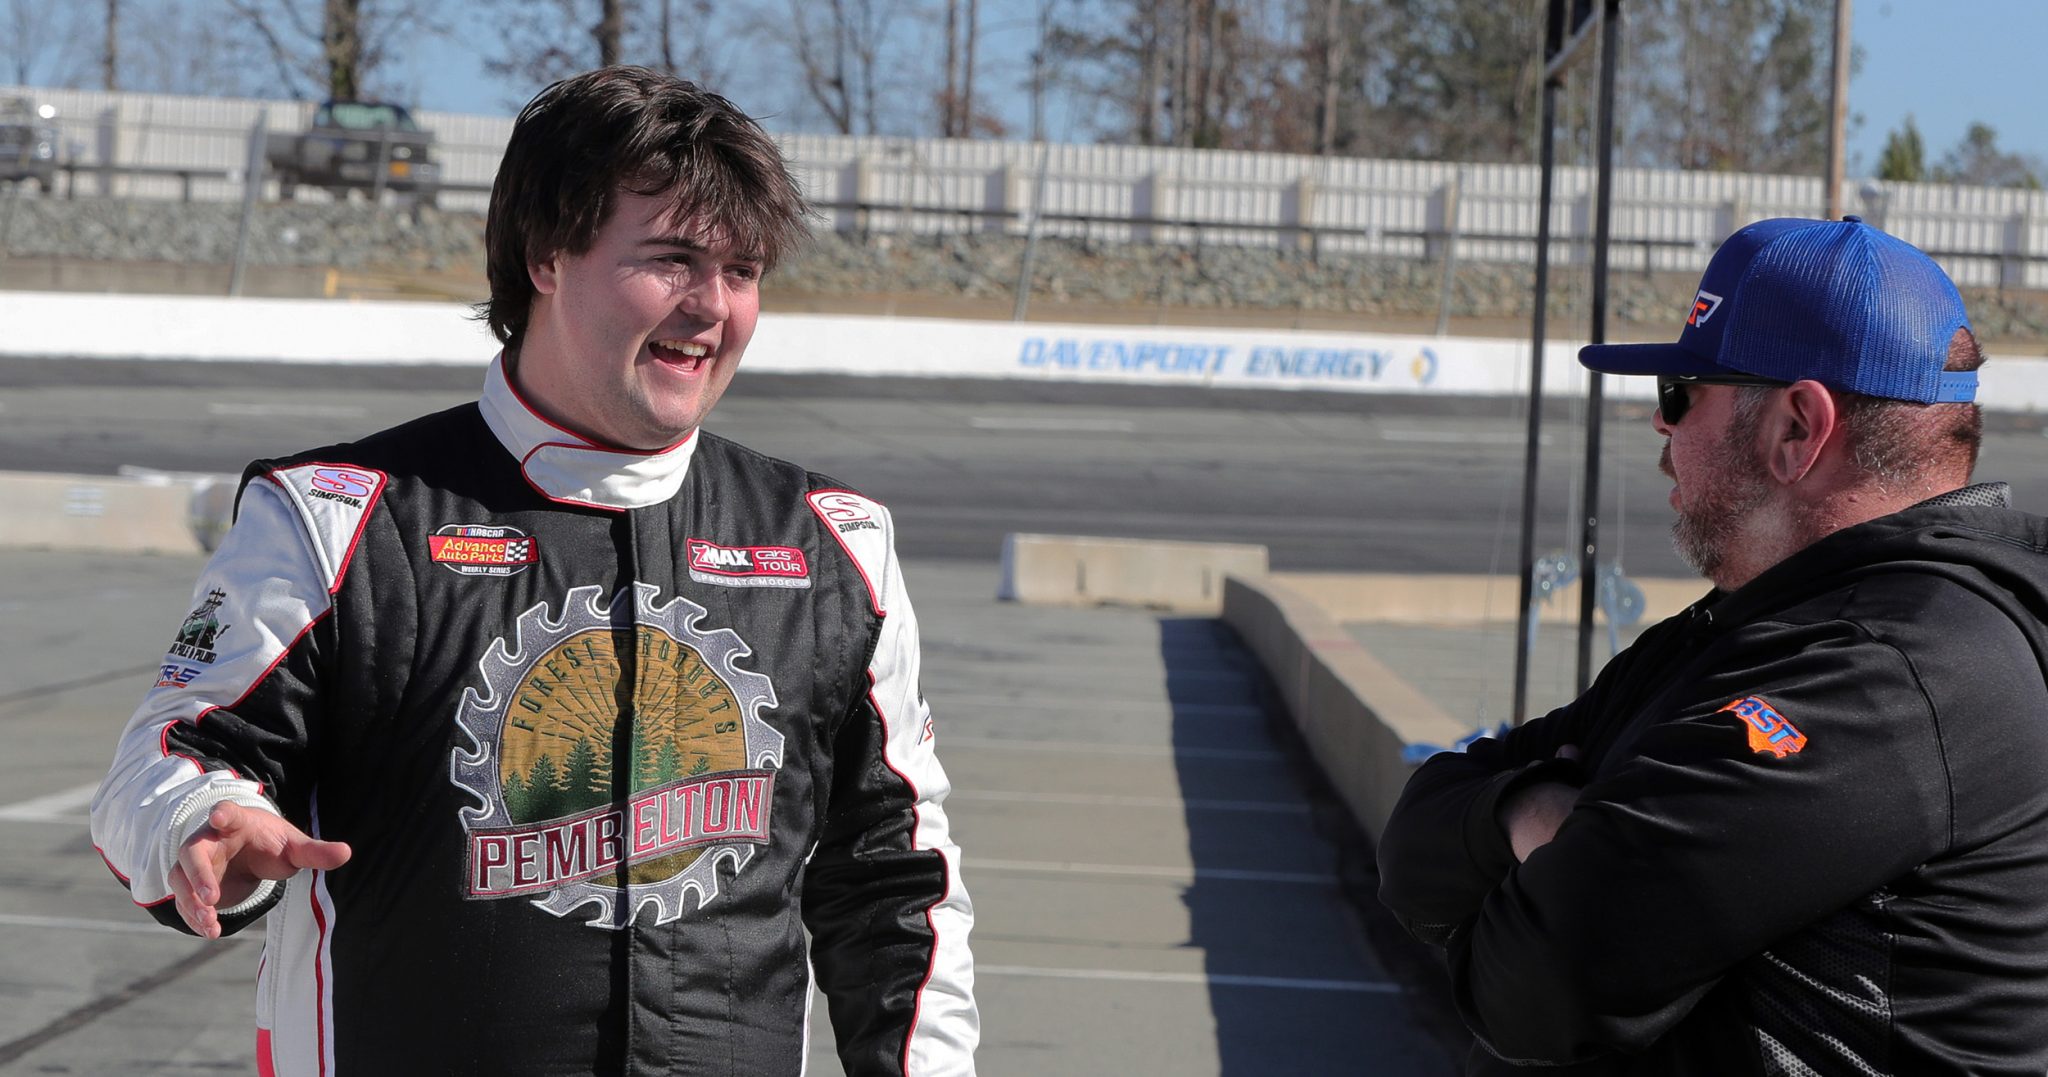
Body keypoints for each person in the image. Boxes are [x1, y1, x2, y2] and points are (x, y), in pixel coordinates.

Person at [90, 66, 977, 1076]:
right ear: (546, 255)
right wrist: (200, 819)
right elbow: (167, 755)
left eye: (743, 269)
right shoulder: (338, 518)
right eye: (672, 260)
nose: (713, 308)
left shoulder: (833, 545)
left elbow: (901, 886)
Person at [1376, 216, 2048, 1074]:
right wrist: (1528, 811)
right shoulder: (1742, 627)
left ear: (1798, 427)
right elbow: (1413, 842)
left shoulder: (1899, 676)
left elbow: (1532, 990)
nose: (1661, 432)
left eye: (1679, 393)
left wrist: (1544, 838)